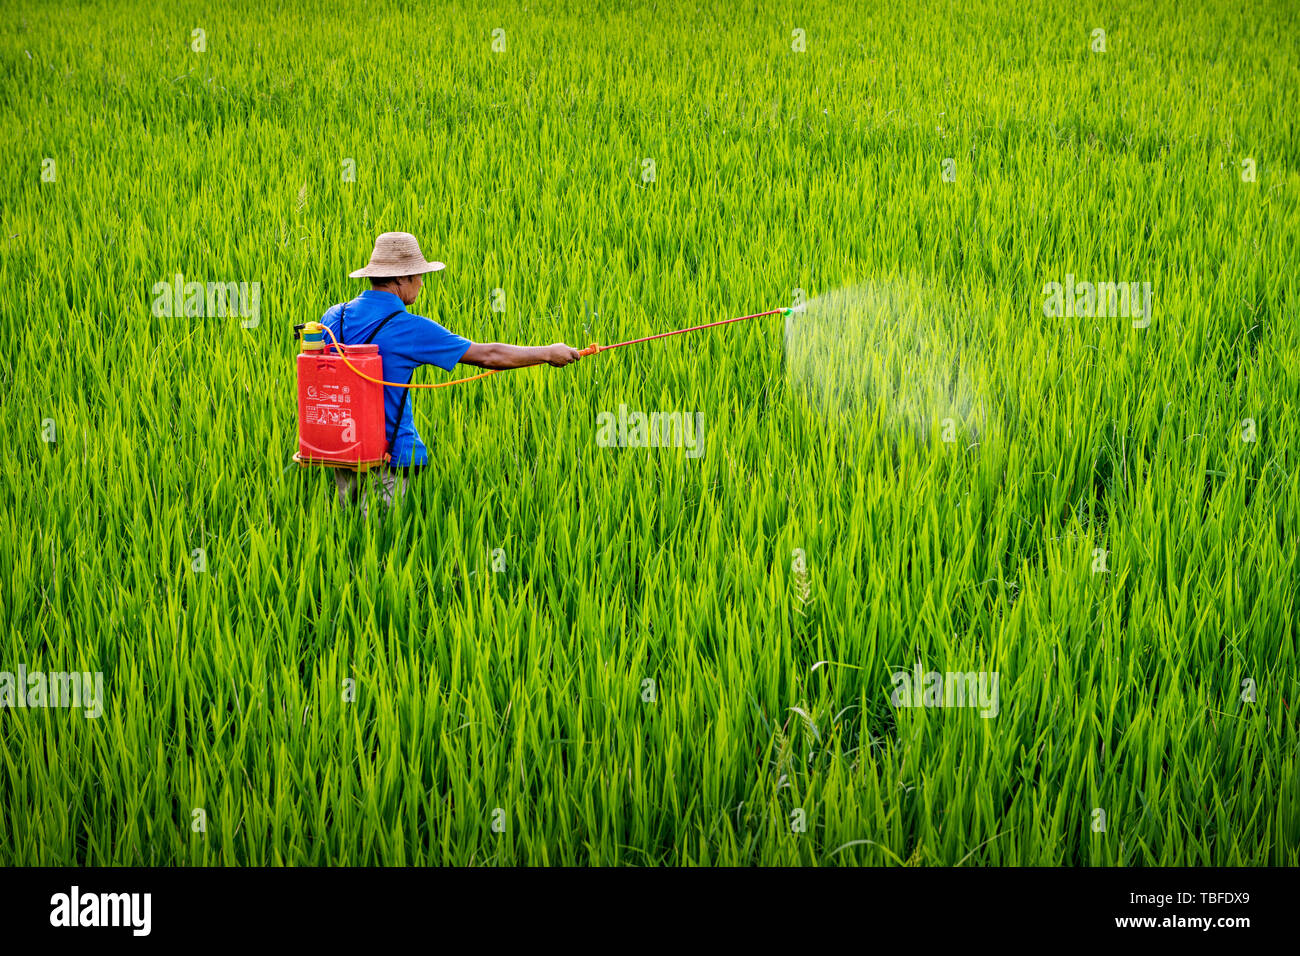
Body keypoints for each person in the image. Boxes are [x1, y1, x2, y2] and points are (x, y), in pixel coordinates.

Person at [323, 232, 583, 510]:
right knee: (380, 542)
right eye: (418, 275)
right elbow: (488, 355)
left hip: (340, 449)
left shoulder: (333, 316)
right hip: (388, 457)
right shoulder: (408, 327)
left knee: (346, 529)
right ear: (400, 278)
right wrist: (547, 353)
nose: (422, 283)